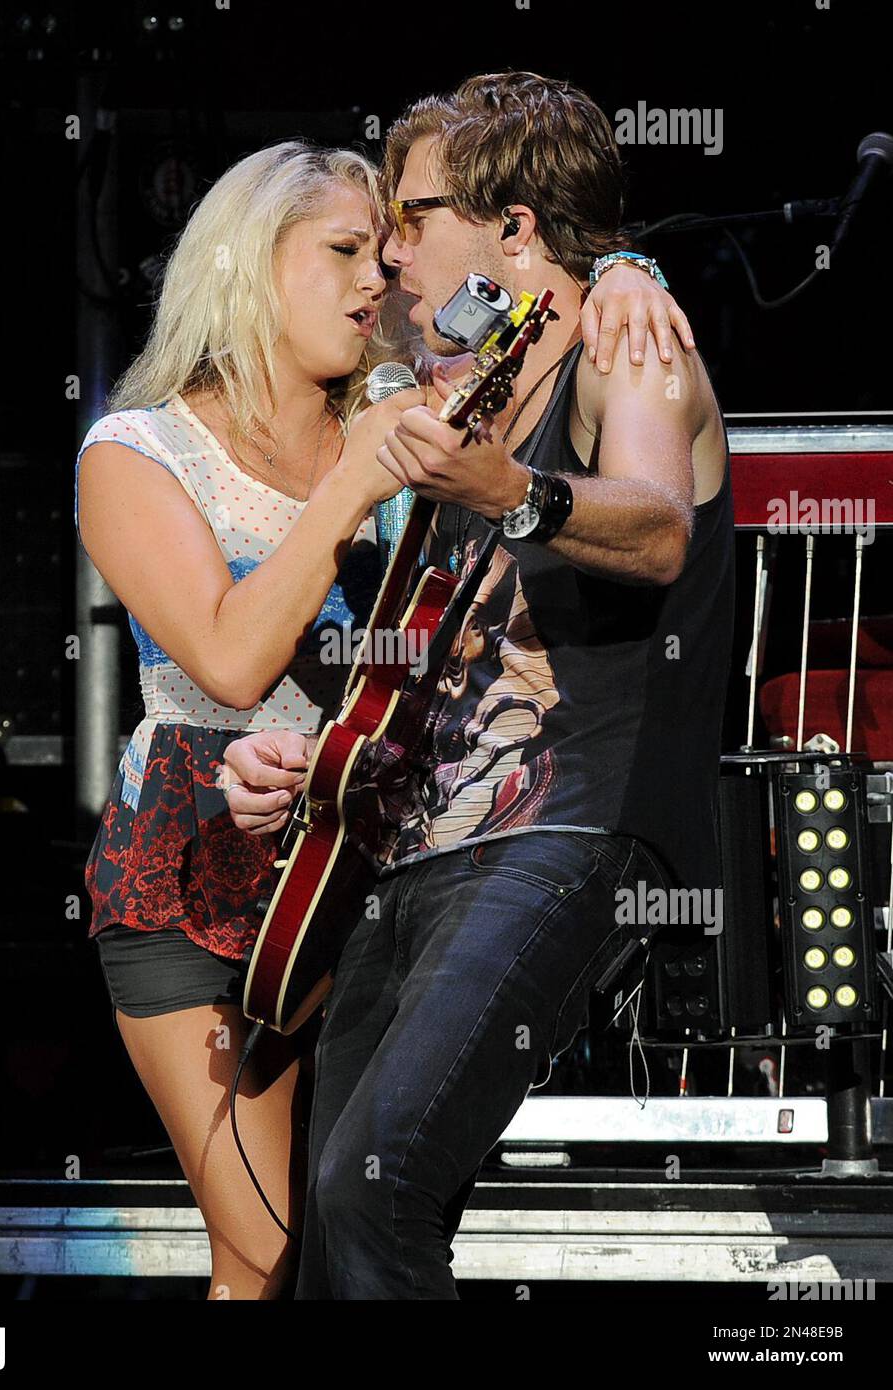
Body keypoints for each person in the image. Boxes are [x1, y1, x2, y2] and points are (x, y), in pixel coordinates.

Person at [75, 133, 692, 1300]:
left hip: (371, 846)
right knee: (261, 1248)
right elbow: (230, 654)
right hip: (201, 858)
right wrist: (355, 482)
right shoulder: (136, 448)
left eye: (389, 251)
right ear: (251, 265)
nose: (381, 281)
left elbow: (534, 301)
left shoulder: (410, 400)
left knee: (359, 1213)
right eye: (347, 251)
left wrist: (624, 274)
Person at [222, 72, 734, 1299]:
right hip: (417, 844)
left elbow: (658, 526)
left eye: (415, 217)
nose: (393, 254)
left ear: (513, 228)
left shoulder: (629, 345)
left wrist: (621, 277)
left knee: (372, 1182)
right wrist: (314, 756)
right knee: (335, 1224)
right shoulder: (486, 372)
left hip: (568, 825)